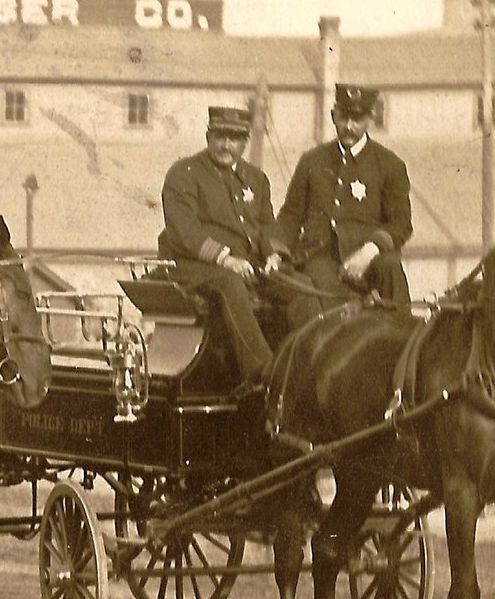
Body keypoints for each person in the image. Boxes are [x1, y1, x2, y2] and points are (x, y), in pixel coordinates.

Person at [157, 104, 280, 387]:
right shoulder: (183, 173)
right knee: (230, 284)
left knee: (299, 285)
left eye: (234, 138)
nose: (226, 145)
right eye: (219, 137)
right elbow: (183, 231)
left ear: (245, 142)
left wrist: (273, 254)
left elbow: (266, 224)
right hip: (191, 266)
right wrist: (225, 258)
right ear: (208, 136)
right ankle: (265, 373)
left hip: (245, 265)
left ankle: (309, 364)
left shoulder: (256, 179)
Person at [275, 84, 414, 328]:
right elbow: (291, 215)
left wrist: (370, 250)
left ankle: (404, 342)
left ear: (371, 118)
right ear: (333, 116)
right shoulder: (312, 161)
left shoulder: (390, 165)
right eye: (344, 117)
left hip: (371, 256)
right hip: (320, 255)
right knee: (329, 306)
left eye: (358, 118)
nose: (349, 126)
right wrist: (276, 251)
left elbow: (401, 224)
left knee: (391, 270)